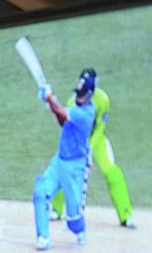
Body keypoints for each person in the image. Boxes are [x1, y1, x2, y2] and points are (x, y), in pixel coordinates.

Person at [50, 69, 135, 230]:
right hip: (77, 141)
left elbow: (100, 128)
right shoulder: (72, 102)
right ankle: (56, 209)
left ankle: (126, 214)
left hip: (97, 141)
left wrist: (90, 150)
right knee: (65, 170)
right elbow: (69, 129)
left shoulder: (103, 100)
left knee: (112, 172)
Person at [32, 69, 96, 251]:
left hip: (74, 167)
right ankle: (43, 237)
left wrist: (50, 97)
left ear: (90, 95)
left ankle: (80, 230)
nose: (78, 97)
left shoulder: (87, 114)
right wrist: (50, 103)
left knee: (73, 219)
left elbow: (61, 112)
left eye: (82, 95)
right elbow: (62, 120)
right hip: (59, 161)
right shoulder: (75, 106)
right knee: (40, 193)